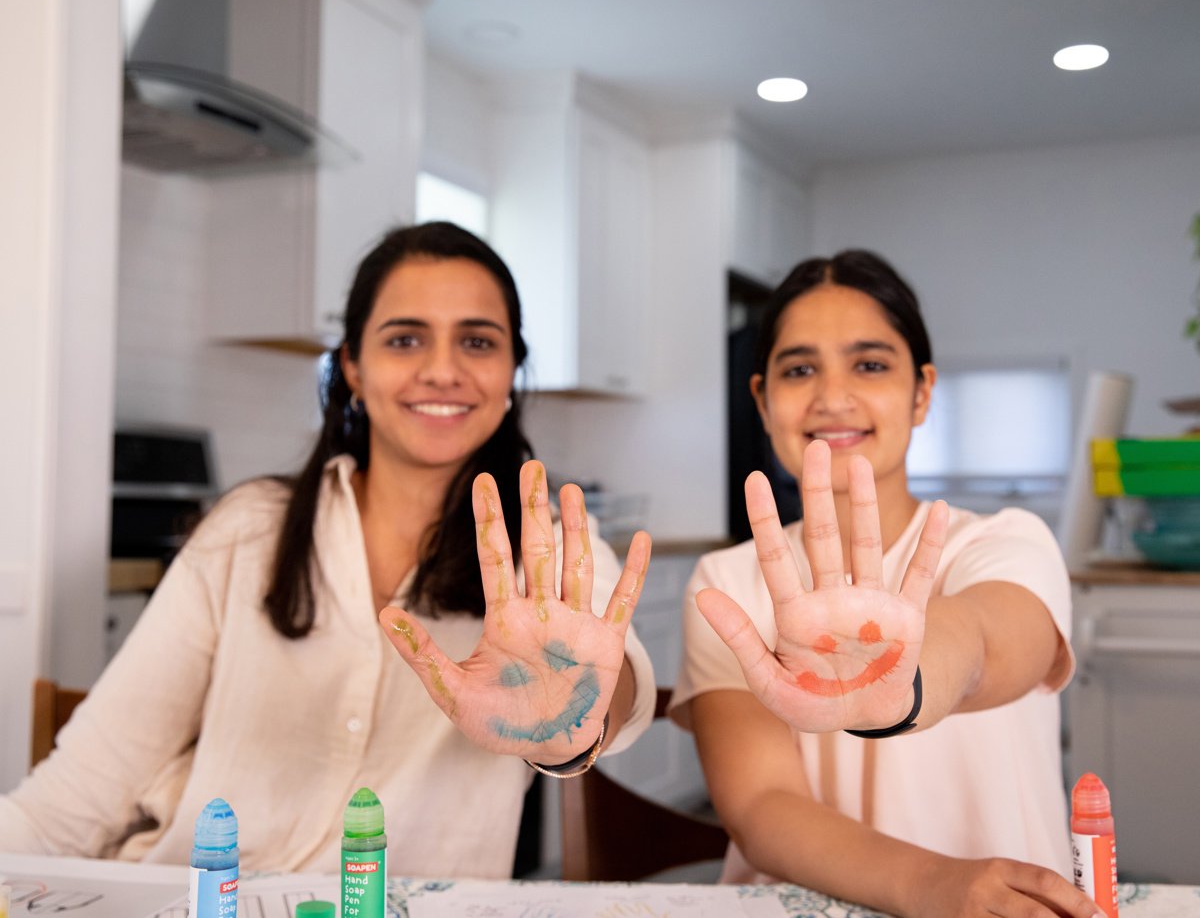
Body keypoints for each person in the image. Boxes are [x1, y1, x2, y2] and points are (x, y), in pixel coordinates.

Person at [0, 222, 655, 877]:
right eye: (405, 339)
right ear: (351, 366)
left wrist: (576, 721)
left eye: (478, 341)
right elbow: (84, 788)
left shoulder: (547, 551)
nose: (442, 370)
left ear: (513, 369)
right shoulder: (248, 529)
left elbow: (620, 682)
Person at [671, 251, 1101, 918]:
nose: (832, 396)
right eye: (800, 368)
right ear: (762, 399)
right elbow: (760, 806)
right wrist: (932, 885)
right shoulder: (725, 581)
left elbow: (986, 639)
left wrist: (908, 683)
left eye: (870, 364)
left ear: (922, 392)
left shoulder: (1007, 543)